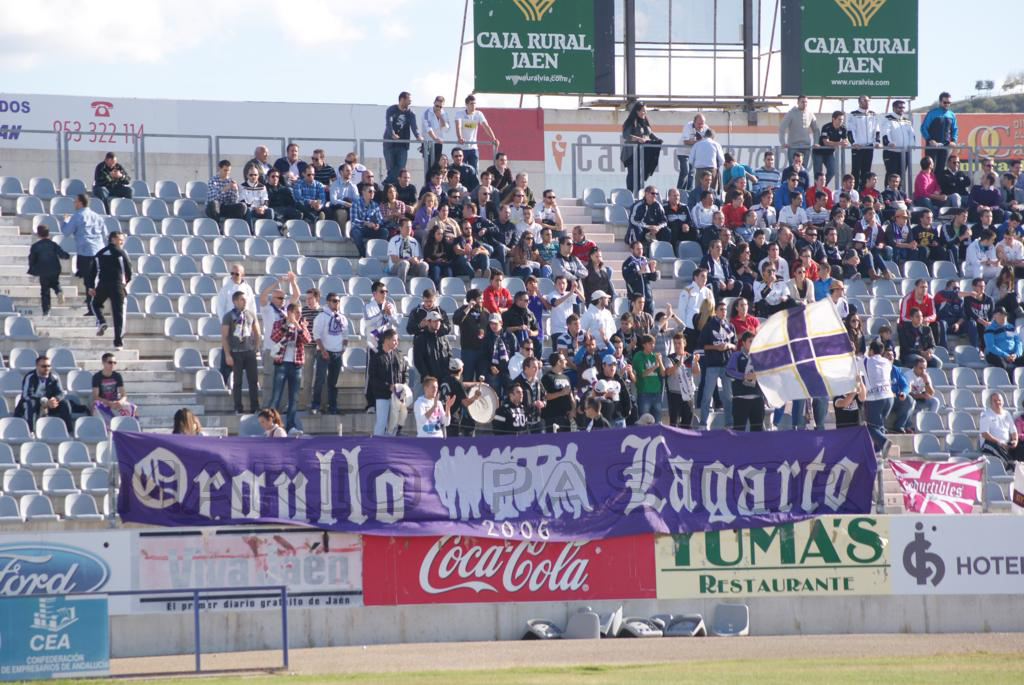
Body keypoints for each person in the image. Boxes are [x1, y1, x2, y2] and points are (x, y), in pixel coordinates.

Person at [59, 193, 107, 316]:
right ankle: (95, 303)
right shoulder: (98, 216)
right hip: (99, 251)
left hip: (85, 252)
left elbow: (66, 232)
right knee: (94, 279)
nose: (74, 204)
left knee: (89, 281)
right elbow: (104, 233)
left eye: (75, 201)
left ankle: (92, 308)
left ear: (80, 203)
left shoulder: (77, 216)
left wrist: (64, 221)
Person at [259, 273, 300, 407]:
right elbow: (263, 296)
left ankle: (279, 410)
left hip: (283, 351)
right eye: (279, 298)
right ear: (274, 298)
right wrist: (276, 283)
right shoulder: (268, 309)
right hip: (271, 349)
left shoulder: (285, 310)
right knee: (269, 381)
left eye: (284, 298)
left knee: (282, 382)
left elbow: (296, 296)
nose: (283, 300)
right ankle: (266, 409)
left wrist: (292, 282)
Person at [89, 231, 131, 350]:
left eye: (122, 239)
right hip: (117, 286)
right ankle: (118, 342)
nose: (121, 242)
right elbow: (128, 271)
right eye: (119, 239)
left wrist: (91, 286)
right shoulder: (120, 253)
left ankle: (101, 321)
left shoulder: (100, 253)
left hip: (102, 285)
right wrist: (124, 284)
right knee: (119, 314)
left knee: (95, 303)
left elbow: (92, 271)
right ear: (112, 239)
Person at [221, 289, 261, 414]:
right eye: (242, 299)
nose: (245, 301)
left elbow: (257, 332)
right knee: (237, 381)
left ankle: (255, 407)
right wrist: (227, 355)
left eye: (245, 299)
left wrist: (255, 348)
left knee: (253, 381)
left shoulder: (251, 314)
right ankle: (238, 407)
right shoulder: (228, 316)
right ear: (235, 301)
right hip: (235, 352)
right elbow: (224, 337)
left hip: (249, 352)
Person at [698, 300, 736, 428]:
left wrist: (729, 345)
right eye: (721, 310)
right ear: (716, 311)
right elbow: (702, 345)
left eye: (725, 310)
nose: (724, 312)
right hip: (712, 365)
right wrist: (716, 348)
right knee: (707, 396)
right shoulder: (709, 326)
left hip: (727, 365)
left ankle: (729, 424)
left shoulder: (730, 326)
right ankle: (703, 423)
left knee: (728, 397)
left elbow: (735, 345)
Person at [310, 291, 346, 416]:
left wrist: (344, 348)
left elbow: (345, 335)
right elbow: (316, 335)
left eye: (338, 301)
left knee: (333, 383)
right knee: (320, 380)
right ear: (328, 302)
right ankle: (315, 405)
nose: (337, 303)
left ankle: (333, 407)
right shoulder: (321, 316)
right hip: (324, 353)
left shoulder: (342, 318)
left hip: (337, 354)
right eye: (334, 301)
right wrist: (323, 350)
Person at [14, 355, 73, 433]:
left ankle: (69, 431)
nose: (47, 368)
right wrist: (44, 401)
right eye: (44, 366)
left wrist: (55, 399)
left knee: (65, 403)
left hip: (49, 404)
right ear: (37, 366)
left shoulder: (53, 376)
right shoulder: (30, 377)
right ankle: (31, 431)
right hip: (35, 403)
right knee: (30, 403)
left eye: (49, 366)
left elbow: (61, 392)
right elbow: (27, 395)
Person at [368, 329, 409, 436]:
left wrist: (404, 386)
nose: (397, 343)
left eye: (397, 340)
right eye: (395, 340)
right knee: (381, 424)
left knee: (394, 425)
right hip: (382, 396)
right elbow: (373, 378)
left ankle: (391, 448)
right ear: (386, 340)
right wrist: (388, 387)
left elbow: (405, 373)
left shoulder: (399, 355)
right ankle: (377, 447)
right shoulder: (376, 356)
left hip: (397, 396)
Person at [28, 224, 69, 316]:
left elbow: (32, 259)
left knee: (45, 291)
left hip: (43, 270)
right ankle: (59, 291)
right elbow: (62, 254)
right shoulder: (53, 244)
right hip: (55, 269)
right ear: (48, 233)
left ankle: (46, 310)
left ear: (38, 234)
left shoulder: (35, 246)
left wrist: (32, 269)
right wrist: (67, 255)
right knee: (55, 283)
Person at [726, 332, 764, 431]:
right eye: (750, 341)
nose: (753, 343)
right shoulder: (737, 355)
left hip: (757, 398)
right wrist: (744, 376)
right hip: (741, 398)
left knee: (758, 430)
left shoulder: (760, 357)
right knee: (739, 430)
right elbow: (729, 371)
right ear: (743, 343)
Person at [621, 101, 661, 192]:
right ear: (637, 111)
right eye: (643, 111)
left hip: (643, 153)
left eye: (645, 111)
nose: (645, 113)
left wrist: (658, 140)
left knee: (640, 175)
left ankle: (639, 194)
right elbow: (626, 135)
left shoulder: (645, 121)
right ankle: (631, 194)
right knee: (632, 174)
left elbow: (650, 134)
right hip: (632, 154)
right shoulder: (630, 122)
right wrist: (639, 139)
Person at [863, 340, 894, 454]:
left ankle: (883, 442)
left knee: (870, 427)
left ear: (871, 350)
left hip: (875, 397)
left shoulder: (865, 361)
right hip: (889, 397)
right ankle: (878, 453)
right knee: (879, 426)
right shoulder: (887, 362)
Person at [91, 352, 136, 427]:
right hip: (103, 402)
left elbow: (124, 395)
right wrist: (108, 403)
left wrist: (120, 402)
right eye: (110, 362)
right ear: (103, 363)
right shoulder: (97, 377)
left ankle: (130, 428)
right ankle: (105, 428)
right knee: (96, 406)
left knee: (133, 407)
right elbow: (95, 396)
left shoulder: (117, 376)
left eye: (114, 362)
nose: (113, 365)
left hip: (115, 401)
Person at [455, 94, 499, 170]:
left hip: (473, 148)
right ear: (466, 104)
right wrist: (460, 137)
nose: (473, 106)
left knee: (474, 170)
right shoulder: (459, 113)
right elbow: (458, 126)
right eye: (471, 104)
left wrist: (494, 138)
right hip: (461, 148)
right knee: (460, 170)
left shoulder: (478, 114)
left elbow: (486, 126)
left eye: (475, 104)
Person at [881, 100, 916, 184]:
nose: (902, 109)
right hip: (891, 152)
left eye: (903, 108)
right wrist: (889, 143)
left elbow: (912, 135)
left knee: (901, 176)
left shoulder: (906, 121)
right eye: (900, 107)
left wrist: (911, 145)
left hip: (904, 153)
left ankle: (899, 194)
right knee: (891, 175)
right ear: (894, 108)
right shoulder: (888, 118)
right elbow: (885, 132)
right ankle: (888, 195)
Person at [778, 95, 820, 167]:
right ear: (797, 102)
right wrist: (783, 142)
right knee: (793, 169)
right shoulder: (791, 113)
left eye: (806, 102)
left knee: (803, 170)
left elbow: (816, 130)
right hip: (793, 147)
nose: (804, 104)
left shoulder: (810, 114)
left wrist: (816, 142)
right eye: (802, 102)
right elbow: (782, 128)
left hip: (806, 147)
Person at [920, 92, 957, 171]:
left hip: (945, 146)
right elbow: (923, 128)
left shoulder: (951, 115)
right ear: (940, 102)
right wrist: (929, 140)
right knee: (929, 169)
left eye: (949, 103)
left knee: (941, 170)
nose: (947, 104)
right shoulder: (932, 113)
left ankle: (939, 184)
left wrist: (953, 140)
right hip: (932, 146)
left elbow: (954, 129)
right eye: (945, 102)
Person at [631, 334, 664, 421]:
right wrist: (655, 366)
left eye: (653, 344)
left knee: (657, 421)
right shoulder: (638, 356)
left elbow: (663, 373)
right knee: (644, 421)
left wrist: (660, 362)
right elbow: (642, 374)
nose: (653, 346)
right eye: (650, 344)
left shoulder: (655, 356)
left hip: (657, 393)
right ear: (644, 345)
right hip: (644, 394)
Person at [847, 97, 879, 189]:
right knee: (856, 170)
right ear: (859, 102)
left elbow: (876, 129)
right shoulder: (853, 114)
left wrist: (877, 142)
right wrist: (854, 143)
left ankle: (865, 191)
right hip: (858, 147)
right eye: (864, 100)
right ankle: (855, 191)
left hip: (869, 147)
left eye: (868, 100)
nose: (867, 102)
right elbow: (850, 130)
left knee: (867, 171)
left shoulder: (873, 114)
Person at [980, 391, 1018, 467]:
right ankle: (1011, 467)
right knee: (998, 448)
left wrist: (1015, 441)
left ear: (1003, 402)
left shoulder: (1007, 414)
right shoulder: (986, 415)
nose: (997, 402)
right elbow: (984, 434)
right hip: (990, 443)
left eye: (999, 400)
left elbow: (1013, 431)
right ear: (991, 403)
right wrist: (999, 442)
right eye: (995, 400)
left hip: (1006, 444)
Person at [412, 310, 451, 381]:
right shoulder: (420, 339)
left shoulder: (443, 337)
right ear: (428, 322)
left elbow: (449, 355)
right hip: (429, 379)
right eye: (434, 321)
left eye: (439, 321)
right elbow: (418, 360)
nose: (437, 323)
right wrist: (426, 375)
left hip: (444, 377)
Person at [814, 110, 850, 186]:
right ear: (833, 119)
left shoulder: (843, 128)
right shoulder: (826, 127)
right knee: (818, 173)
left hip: (829, 153)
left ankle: (822, 186)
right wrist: (839, 143)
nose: (841, 121)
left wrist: (845, 142)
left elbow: (845, 140)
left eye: (842, 119)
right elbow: (825, 142)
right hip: (818, 152)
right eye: (839, 119)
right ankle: (816, 190)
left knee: (833, 170)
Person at [386, 217, 427, 282]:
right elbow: (394, 260)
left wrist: (416, 260)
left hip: (411, 267)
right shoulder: (393, 240)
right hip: (395, 267)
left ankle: (422, 288)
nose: (409, 229)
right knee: (405, 263)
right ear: (400, 228)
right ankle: (401, 288)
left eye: (410, 227)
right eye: (407, 227)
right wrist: (408, 260)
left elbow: (416, 258)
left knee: (424, 265)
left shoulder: (414, 241)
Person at [581, 290, 617, 354]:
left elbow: (613, 330)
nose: (608, 299)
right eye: (605, 298)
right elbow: (581, 331)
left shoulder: (608, 313)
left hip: (609, 349)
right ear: (600, 300)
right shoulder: (588, 314)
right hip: (595, 351)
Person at [422, 95, 449, 175]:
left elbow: (446, 128)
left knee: (437, 165)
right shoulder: (426, 113)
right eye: (437, 106)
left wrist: (440, 117)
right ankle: (428, 184)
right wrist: (435, 138)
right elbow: (428, 128)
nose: (438, 108)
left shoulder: (444, 113)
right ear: (434, 103)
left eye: (440, 107)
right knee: (428, 165)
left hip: (438, 143)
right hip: (428, 142)